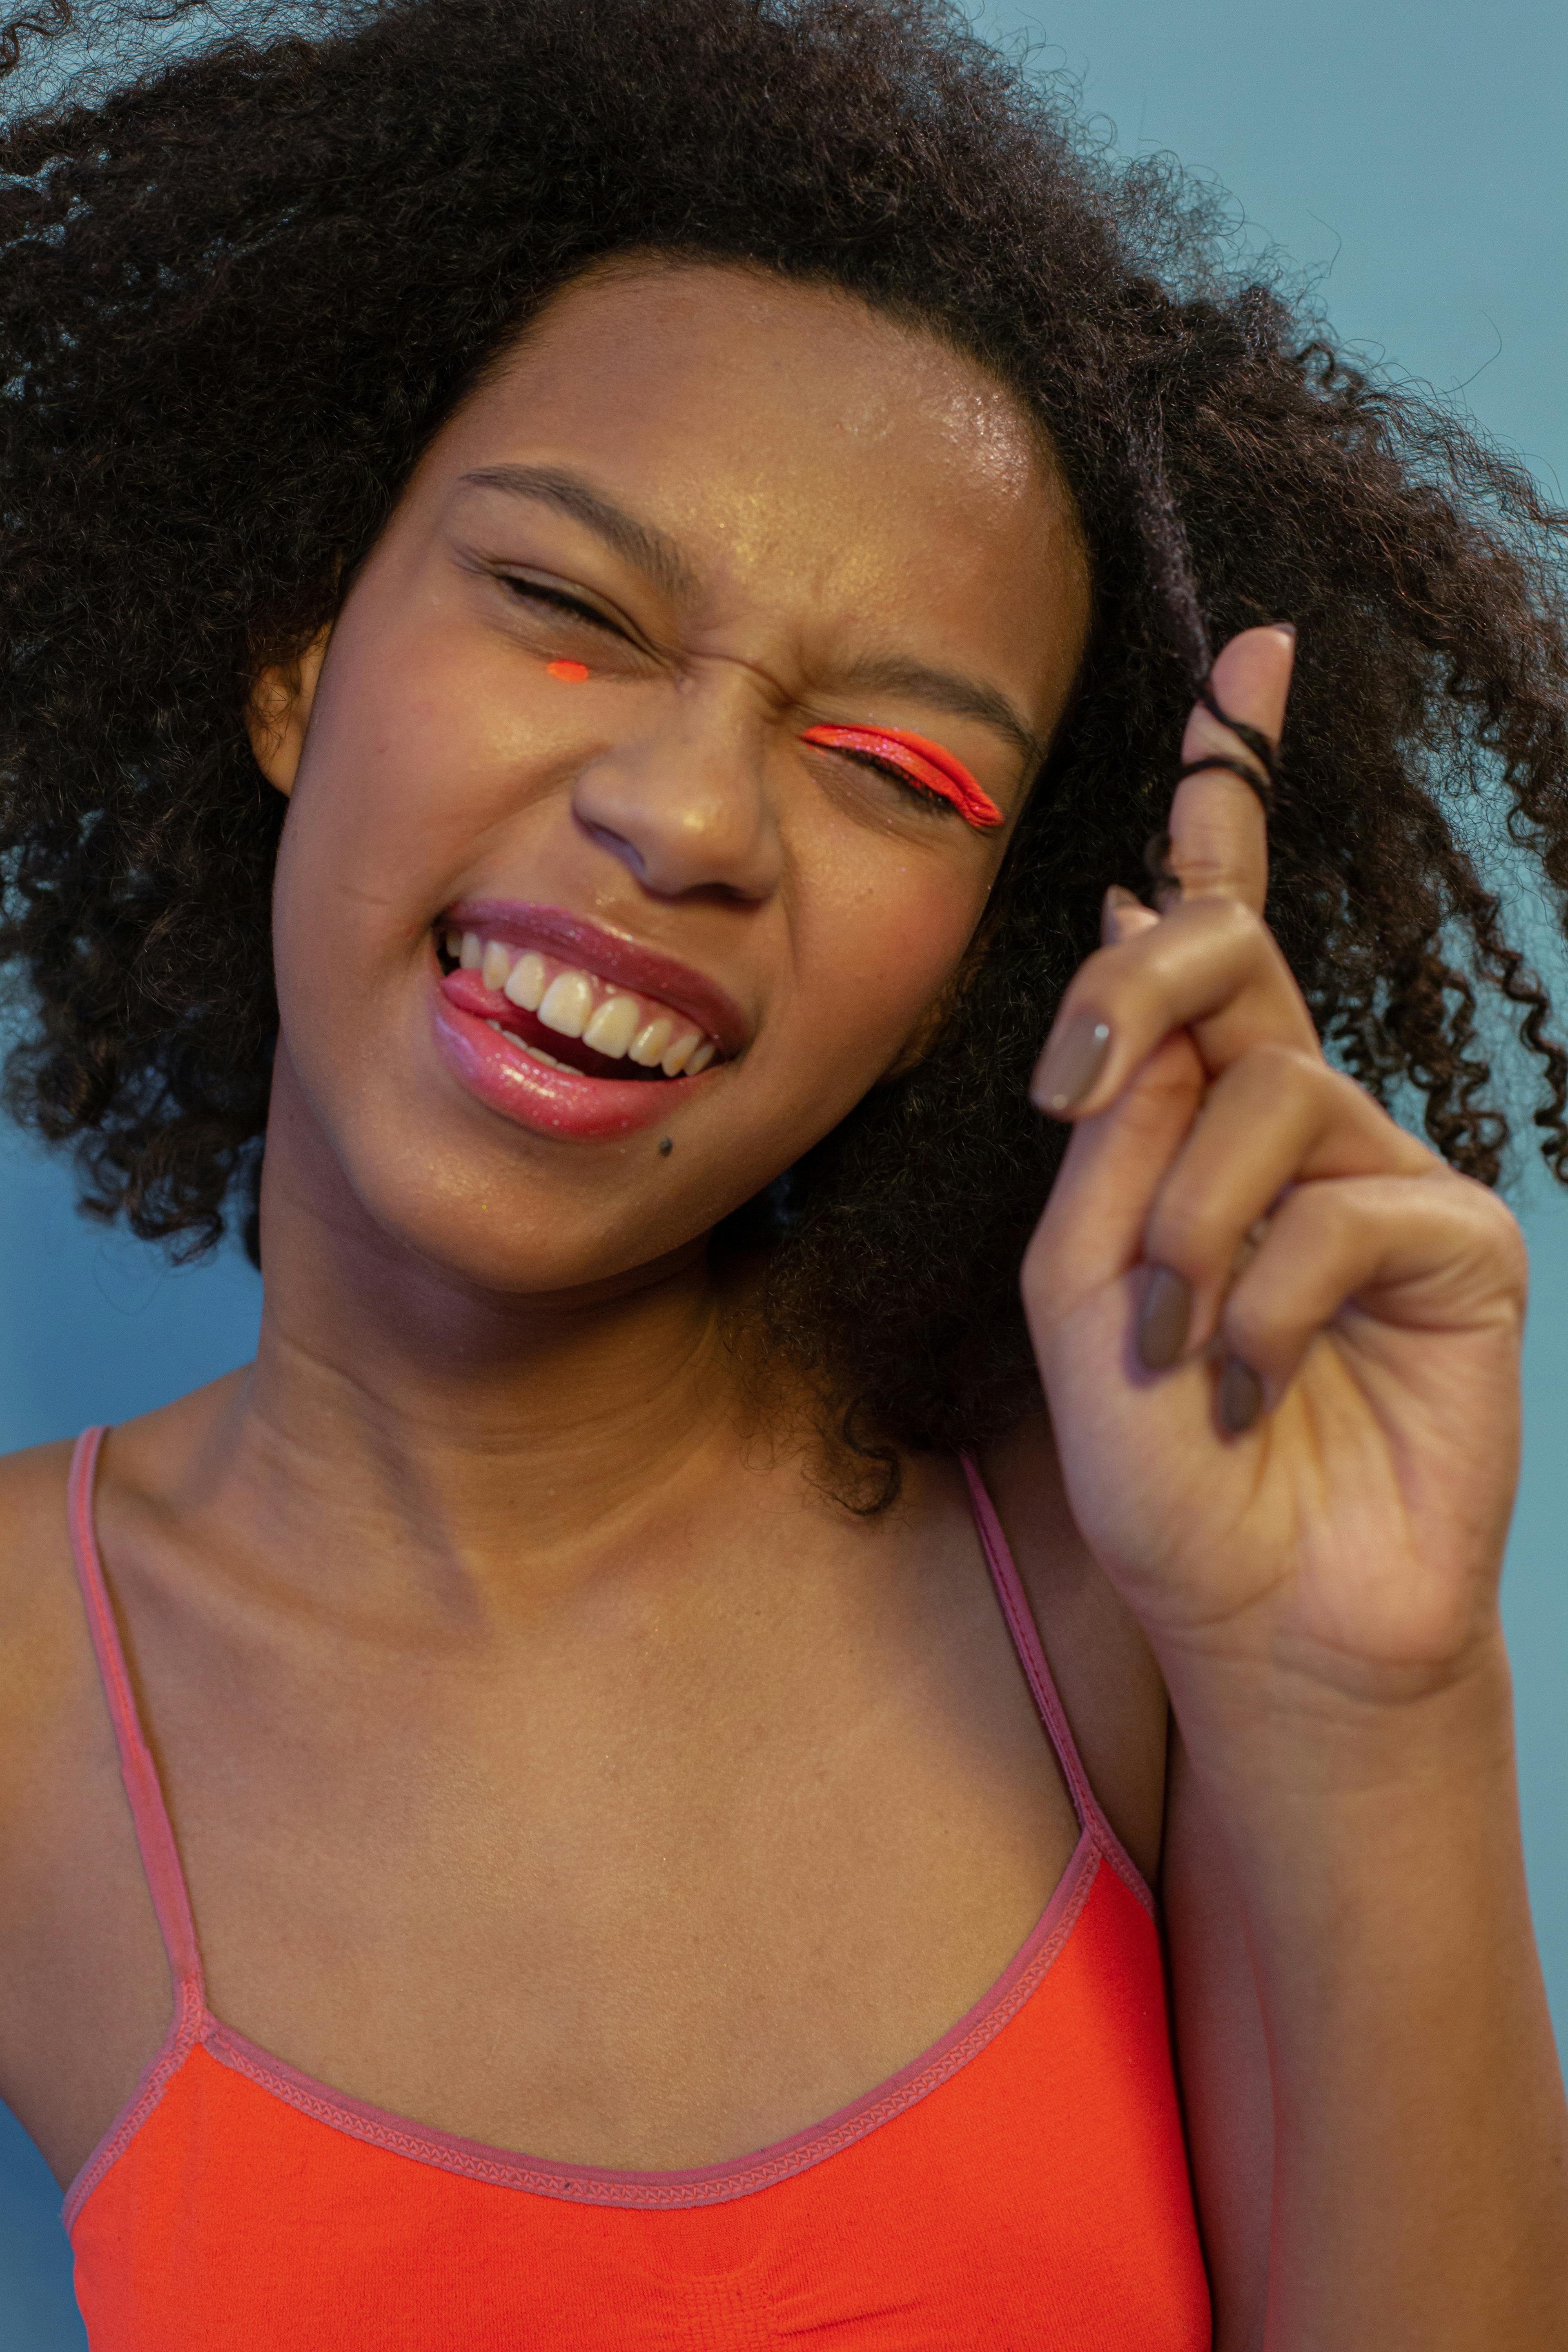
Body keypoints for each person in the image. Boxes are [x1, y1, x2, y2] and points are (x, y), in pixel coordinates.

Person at [0, 0, 1564, 2343]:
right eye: (566, 610)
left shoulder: (1126, 1580)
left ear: (971, 972)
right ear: (294, 655)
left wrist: (1378, 1700)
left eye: (900, 775)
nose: (689, 817)